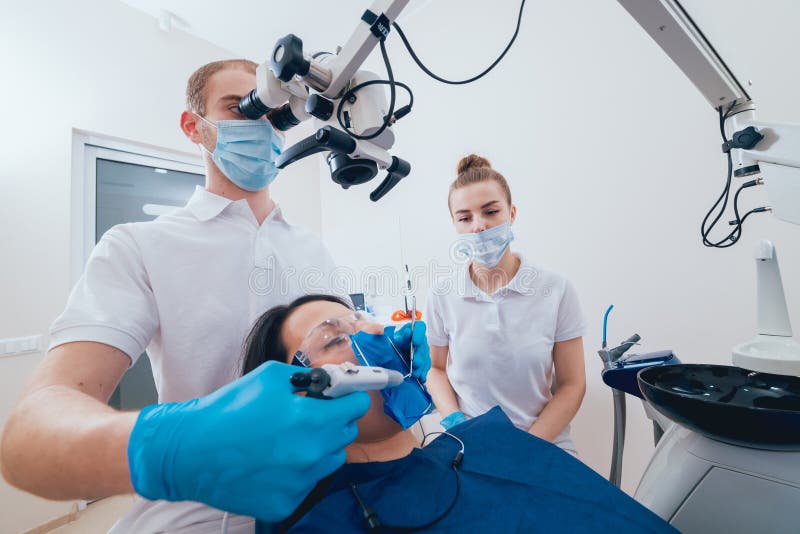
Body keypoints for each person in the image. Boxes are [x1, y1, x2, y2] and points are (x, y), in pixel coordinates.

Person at [0, 59, 408, 533]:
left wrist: (394, 365)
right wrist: (174, 447)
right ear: (194, 127)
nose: (262, 124)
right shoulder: (139, 246)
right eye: (241, 107)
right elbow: (28, 439)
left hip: (331, 492)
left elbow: (348, 366)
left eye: (274, 113)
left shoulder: (311, 247)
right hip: (201, 511)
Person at [240, 294, 674, 533]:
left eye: (361, 319)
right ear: (299, 394)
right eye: (334, 338)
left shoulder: (485, 443)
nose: (373, 331)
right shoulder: (317, 521)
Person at [425, 154, 587, 454]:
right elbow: (435, 370)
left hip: (543, 442)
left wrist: (526, 447)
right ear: (455, 224)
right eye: (465, 218)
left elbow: (572, 384)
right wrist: (456, 423)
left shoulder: (555, 289)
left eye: (490, 212)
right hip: (471, 443)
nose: (479, 226)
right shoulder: (442, 295)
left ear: (511, 213)